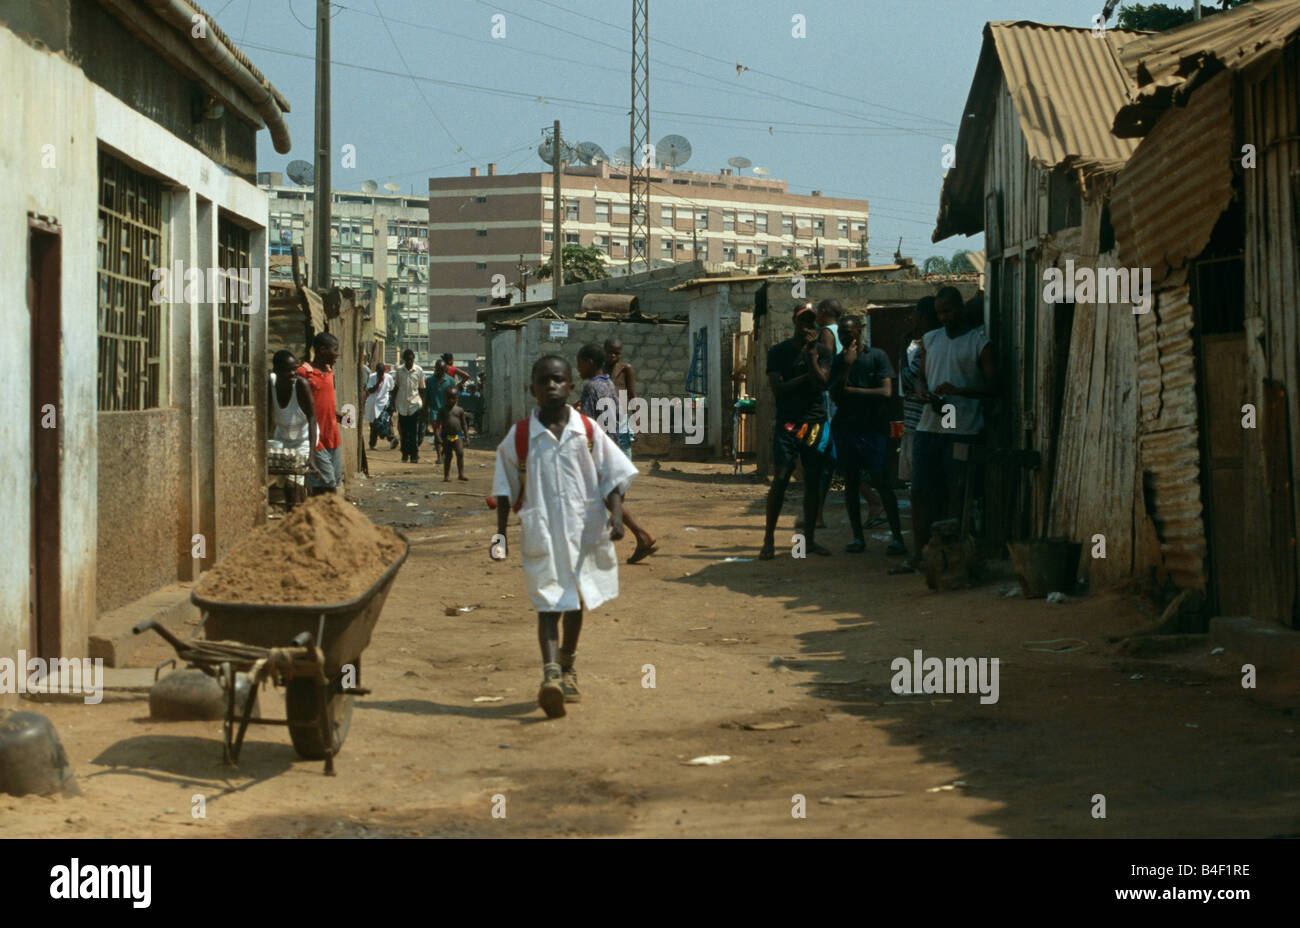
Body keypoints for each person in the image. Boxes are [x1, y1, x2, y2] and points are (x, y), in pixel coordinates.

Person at [490, 355, 638, 718]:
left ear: (571, 386)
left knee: (574, 602)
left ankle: (567, 664)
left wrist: (617, 517)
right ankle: (551, 673)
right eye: (544, 381)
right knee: (547, 604)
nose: (552, 386)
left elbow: (612, 476)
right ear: (533, 389)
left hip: (583, 531)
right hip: (541, 532)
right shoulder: (521, 436)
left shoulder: (586, 431)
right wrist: (499, 536)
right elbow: (504, 490)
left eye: (558, 380)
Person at [912, 286, 997, 560]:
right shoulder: (931, 339)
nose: (944, 317)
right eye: (939, 313)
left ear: (960, 308)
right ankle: (921, 552)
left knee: (956, 493)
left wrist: (961, 391)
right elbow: (921, 376)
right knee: (922, 491)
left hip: (961, 426)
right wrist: (922, 390)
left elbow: (995, 386)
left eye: (948, 311)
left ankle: (957, 554)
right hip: (932, 423)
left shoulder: (978, 342)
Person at [760, 302, 834, 560]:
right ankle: (768, 539)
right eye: (803, 320)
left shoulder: (823, 352)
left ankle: (809, 539)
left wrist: (812, 356)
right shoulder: (779, 352)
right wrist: (807, 378)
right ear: (794, 321)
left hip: (815, 424)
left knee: (813, 482)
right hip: (789, 424)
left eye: (811, 320)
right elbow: (777, 388)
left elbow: (824, 384)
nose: (807, 325)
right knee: (780, 479)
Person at [830, 316, 906, 555]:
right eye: (842, 334)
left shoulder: (877, 356)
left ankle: (897, 538)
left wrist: (851, 390)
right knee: (850, 484)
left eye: (851, 333)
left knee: (882, 482)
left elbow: (886, 391)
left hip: (873, 429)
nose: (847, 338)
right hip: (847, 429)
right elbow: (835, 394)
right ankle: (858, 538)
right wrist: (848, 365)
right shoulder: (838, 361)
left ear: (860, 331)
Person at [577, 343, 657, 563]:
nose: (578, 369)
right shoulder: (608, 384)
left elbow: (589, 424)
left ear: (589, 363)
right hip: (612, 443)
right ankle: (638, 537)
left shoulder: (591, 387)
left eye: (579, 364)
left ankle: (641, 536)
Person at [268, 350, 318, 510]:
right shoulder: (271, 384)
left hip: (303, 439)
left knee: (293, 485)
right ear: (276, 370)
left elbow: (312, 418)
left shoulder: (301, 385)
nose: (292, 374)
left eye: (294, 369)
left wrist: (311, 456)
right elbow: (266, 415)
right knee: (286, 486)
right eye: (287, 370)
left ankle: (298, 518)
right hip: (282, 438)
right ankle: (297, 515)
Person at [298, 332, 344, 495]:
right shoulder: (304, 373)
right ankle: (329, 517)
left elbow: (324, 403)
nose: (337, 354)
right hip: (315, 438)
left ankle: (318, 518)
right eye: (335, 350)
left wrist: (337, 415)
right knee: (328, 484)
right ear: (323, 350)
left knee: (327, 483)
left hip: (332, 436)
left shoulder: (329, 372)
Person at [603, 336, 637, 459]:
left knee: (624, 450)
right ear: (604, 351)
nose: (613, 356)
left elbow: (632, 395)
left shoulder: (626, 369)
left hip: (621, 417)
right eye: (609, 352)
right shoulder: (599, 369)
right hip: (602, 416)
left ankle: (625, 477)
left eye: (616, 353)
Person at [393, 349, 426, 464]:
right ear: (404, 359)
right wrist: (393, 403)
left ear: (413, 359)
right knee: (404, 432)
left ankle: (414, 455)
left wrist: (424, 406)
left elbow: (422, 389)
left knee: (413, 432)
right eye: (407, 360)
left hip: (414, 405)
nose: (409, 362)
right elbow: (396, 387)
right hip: (402, 406)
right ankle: (405, 454)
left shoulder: (419, 371)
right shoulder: (399, 371)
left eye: (411, 359)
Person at [364, 361, 397, 451]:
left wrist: (392, 403)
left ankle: (391, 438)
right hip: (374, 404)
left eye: (382, 372)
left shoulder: (388, 377)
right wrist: (378, 382)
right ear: (376, 371)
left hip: (384, 404)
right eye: (379, 372)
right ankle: (372, 443)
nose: (381, 374)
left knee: (386, 421)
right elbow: (370, 390)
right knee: (374, 424)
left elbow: (392, 390)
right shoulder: (372, 377)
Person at [440, 384, 469, 481]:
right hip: (446, 436)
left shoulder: (459, 410)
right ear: (445, 398)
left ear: (457, 398)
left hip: (457, 436)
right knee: (448, 456)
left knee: (460, 453)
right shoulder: (442, 410)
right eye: (448, 398)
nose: (451, 400)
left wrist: (466, 436)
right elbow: (437, 426)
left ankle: (461, 474)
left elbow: (464, 424)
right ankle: (446, 476)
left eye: (453, 398)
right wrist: (437, 436)